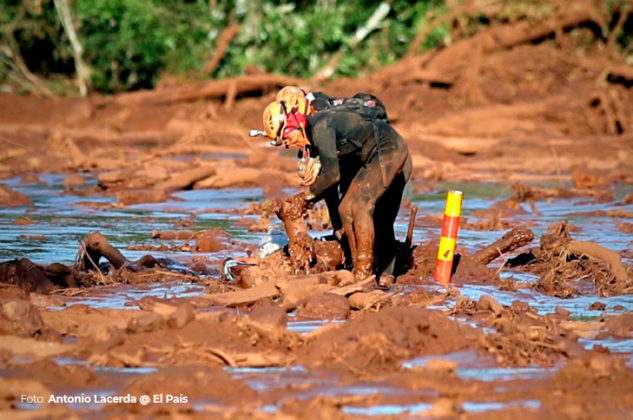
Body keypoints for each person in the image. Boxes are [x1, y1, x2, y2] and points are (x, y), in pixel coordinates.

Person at [261, 99, 412, 281]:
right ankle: (358, 268)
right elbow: (330, 187)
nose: (288, 144)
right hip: (370, 157)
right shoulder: (313, 140)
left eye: (286, 137)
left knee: (360, 207)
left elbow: (332, 176)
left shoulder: (320, 129)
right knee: (344, 209)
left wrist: (303, 199)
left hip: (388, 149)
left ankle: (365, 273)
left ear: (296, 124)